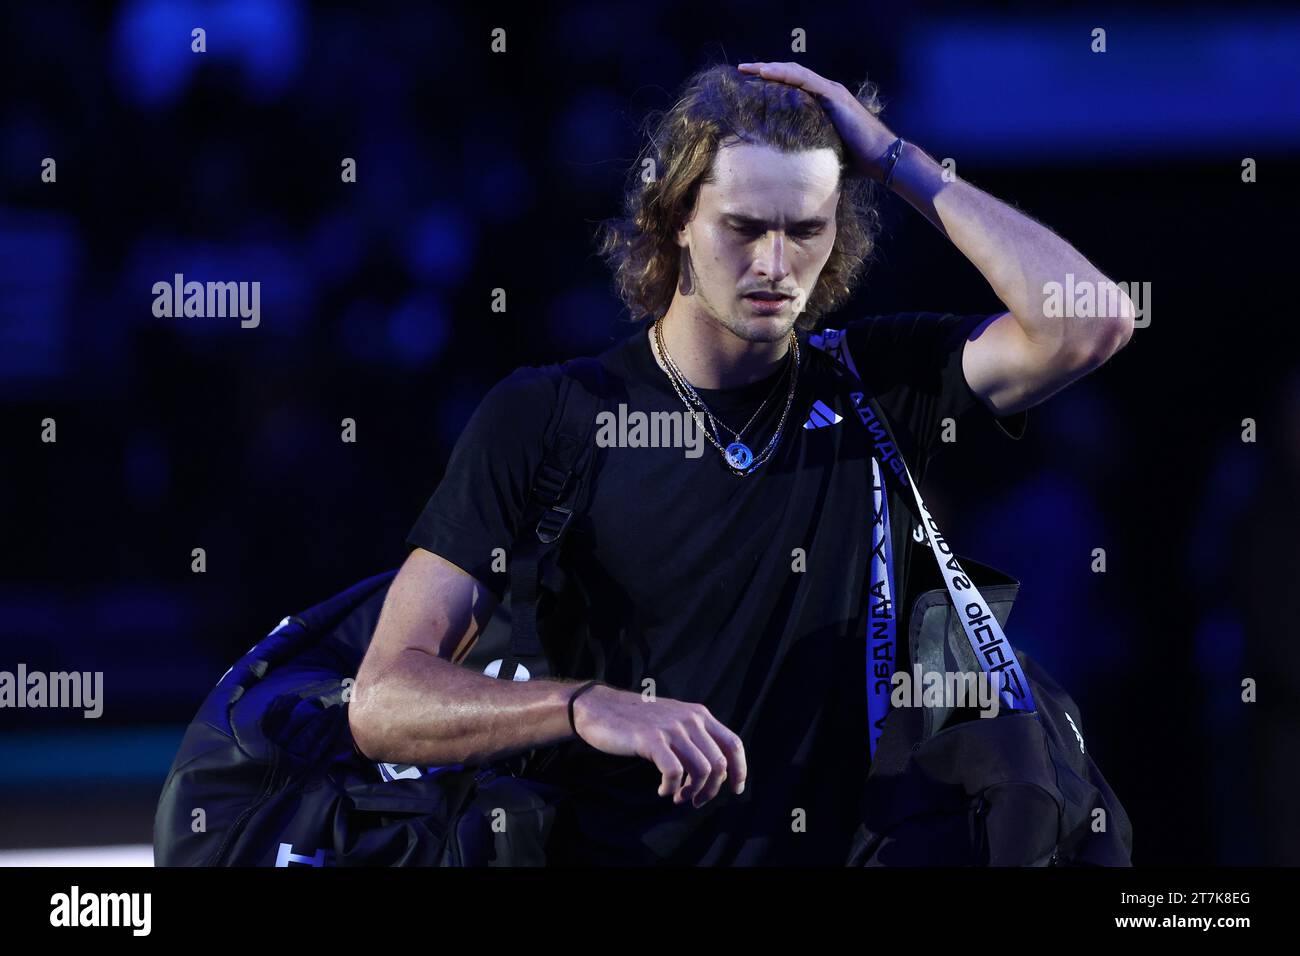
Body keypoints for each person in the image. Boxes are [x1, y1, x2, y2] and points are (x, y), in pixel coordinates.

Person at [348, 62, 1134, 865]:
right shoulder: (550, 415)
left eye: (805, 230)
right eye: (744, 226)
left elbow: (1091, 322)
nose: (774, 264)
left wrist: (894, 157)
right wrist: (582, 705)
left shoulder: (878, 382)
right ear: (676, 218)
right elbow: (383, 702)